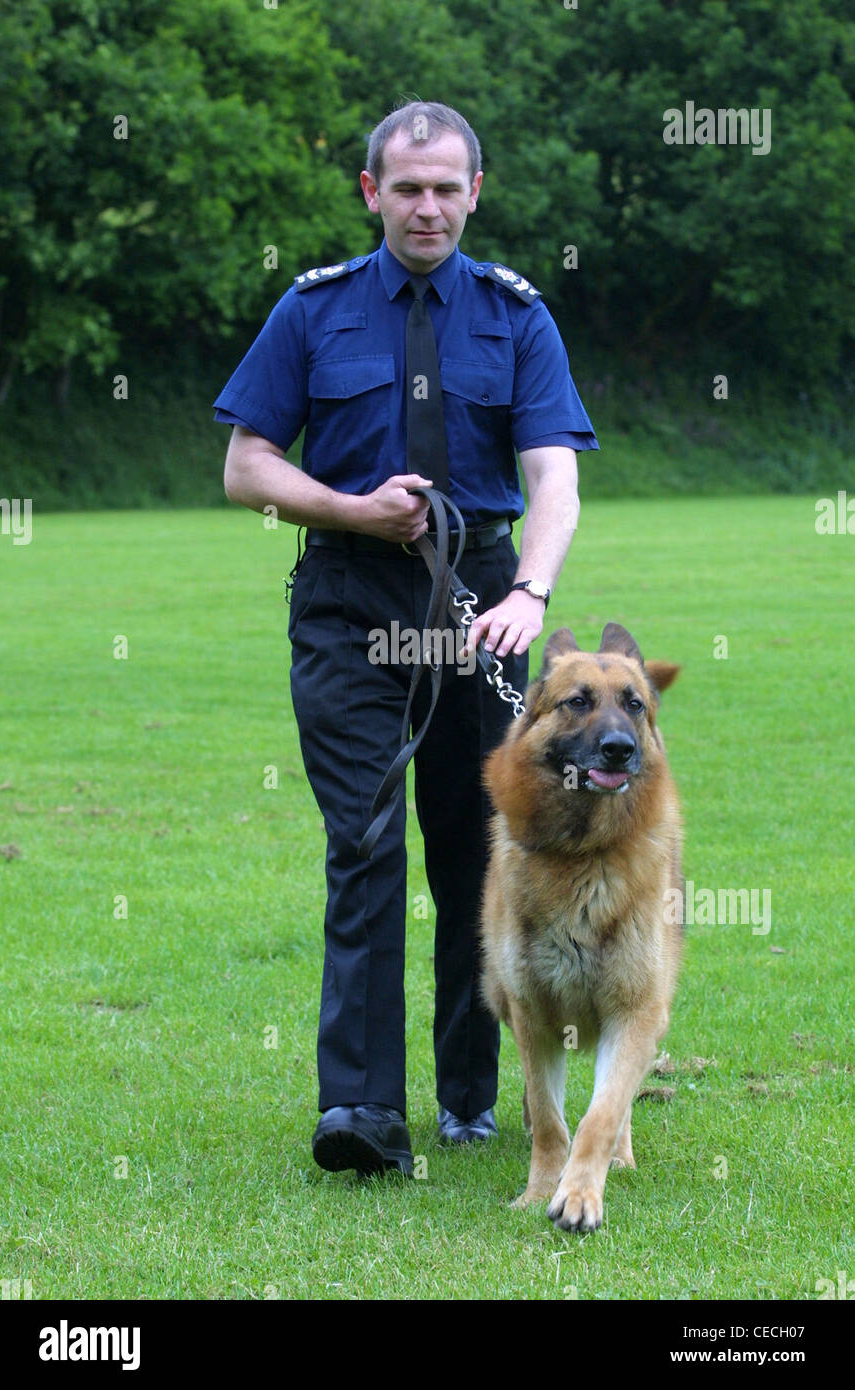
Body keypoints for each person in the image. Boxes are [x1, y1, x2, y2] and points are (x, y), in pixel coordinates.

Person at [213, 101, 598, 1176]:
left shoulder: (517, 316)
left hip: (479, 602)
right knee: (366, 843)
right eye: (406, 186)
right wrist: (351, 508)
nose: (426, 206)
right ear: (370, 192)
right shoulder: (312, 309)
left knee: (478, 852)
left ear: (475, 192)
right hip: (348, 604)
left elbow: (553, 476)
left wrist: (529, 588)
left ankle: (472, 1094)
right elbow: (246, 466)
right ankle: (362, 1112)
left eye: (445, 187)